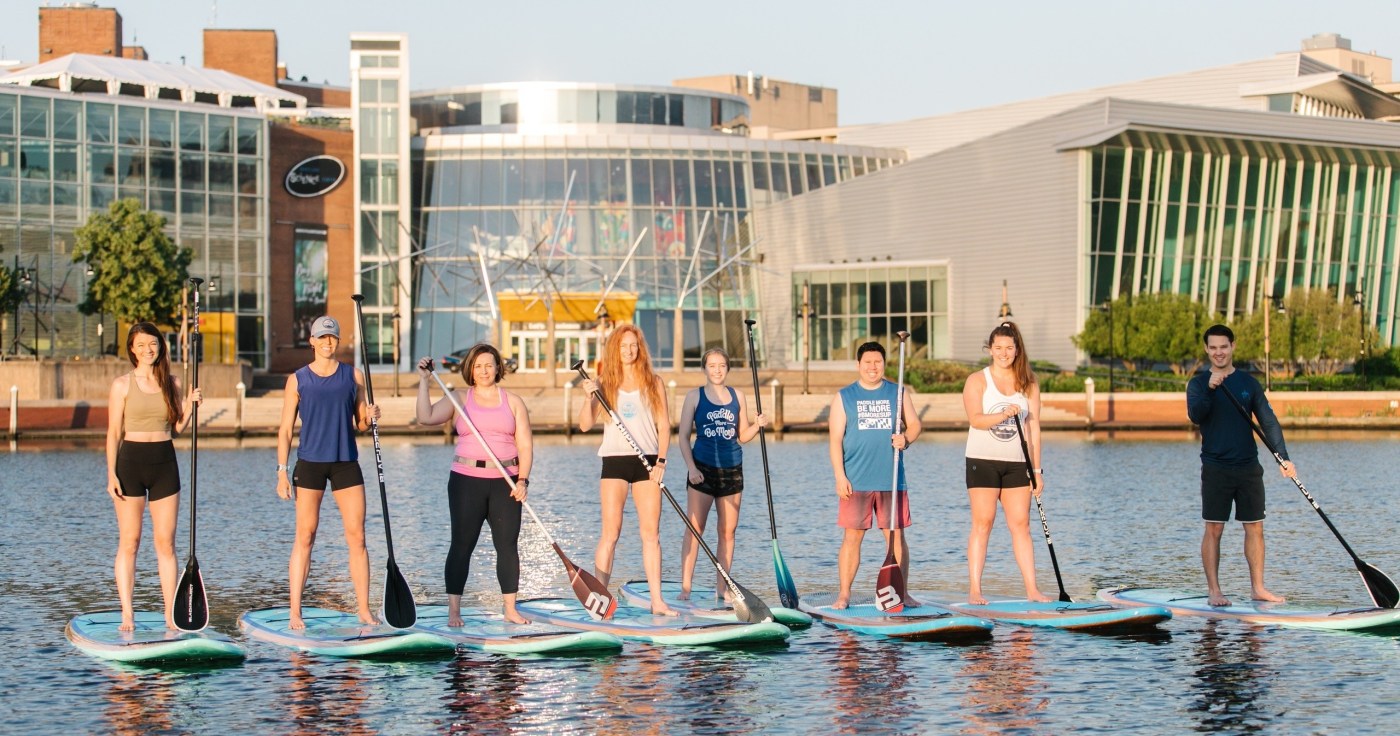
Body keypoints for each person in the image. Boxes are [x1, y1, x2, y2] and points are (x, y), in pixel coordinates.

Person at [275, 315, 380, 629]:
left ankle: (363, 609)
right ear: (312, 341)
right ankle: (295, 611)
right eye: (322, 337)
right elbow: (285, 430)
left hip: (345, 461)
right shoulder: (298, 379)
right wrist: (282, 471)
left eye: (332, 337)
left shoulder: (353, 376)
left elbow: (361, 424)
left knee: (357, 536)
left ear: (338, 340)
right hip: (310, 464)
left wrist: (370, 416)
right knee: (305, 535)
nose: (327, 342)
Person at [415, 344, 532, 626]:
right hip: (466, 482)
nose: (484, 371)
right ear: (470, 369)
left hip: (506, 482)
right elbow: (425, 417)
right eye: (478, 366)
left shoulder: (513, 401)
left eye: (489, 365)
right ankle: (454, 611)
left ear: (498, 368)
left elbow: (525, 445)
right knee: (462, 545)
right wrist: (424, 381)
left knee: (507, 546)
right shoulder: (459, 399)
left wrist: (523, 479)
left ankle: (510, 609)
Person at [1186, 323, 1296, 607]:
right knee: (1214, 529)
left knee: (1255, 527)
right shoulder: (1198, 384)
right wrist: (1210, 389)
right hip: (1216, 467)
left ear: (1233, 346)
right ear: (1206, 349)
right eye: (1213, 347)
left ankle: (1258, 588)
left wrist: (1283, 457)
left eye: (1223, 346)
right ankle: (1214, 591)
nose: (1219, 352)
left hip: (1248, 467)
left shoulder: (1248, 383)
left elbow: (1268, 421)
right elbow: (1196, 415)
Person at [105, 322, 201, 631]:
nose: (148, 349)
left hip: (164, 464)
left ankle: (170, 615)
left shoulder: (171, 382)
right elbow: (113, 433)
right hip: (130, 464)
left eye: (153, 344)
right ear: (132, 350)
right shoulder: (122, 385)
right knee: (130, 541)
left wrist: (190, 406)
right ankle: (127, 613)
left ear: (160, 346)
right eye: (141, 345)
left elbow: (178, 428)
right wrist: (111, 475)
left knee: (165, 543)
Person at [578, 324, 675, 615]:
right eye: (623, 346)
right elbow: (584, 425)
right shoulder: (604, 382)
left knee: (651, 534)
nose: (629, 351)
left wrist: (661, 461)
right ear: (614, 350)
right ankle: (600, 600)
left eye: (633, 345)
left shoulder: (653, 382)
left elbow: (664, 426)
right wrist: (589, 397)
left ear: (640, 348)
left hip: (648, 462)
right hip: (615, 460)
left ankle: (657, 601)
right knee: (611, 533)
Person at [962, 321, 1049, 605]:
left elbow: (1034, 428)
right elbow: (976, 419)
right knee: (983, 522)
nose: (1003, 353)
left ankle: (1032, 590)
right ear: (990, 349)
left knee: (1021, 524)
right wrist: (1004, 415)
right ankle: (975, 590)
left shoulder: (1029, 383)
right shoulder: (978, 380)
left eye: (1009, 348)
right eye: (998, 347)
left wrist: (1036, 470)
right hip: (982, 461)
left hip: (1017, 464)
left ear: (1017, 349)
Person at [828, 341, 921, 609]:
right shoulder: (844, 397)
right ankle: (844, 594)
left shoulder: (897, 393)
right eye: (867, 362)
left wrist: (906, 438)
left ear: (884, 364)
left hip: (891, 479)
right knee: (852, 538)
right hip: (856, 480)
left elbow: (915, 424)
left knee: (896, 538)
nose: (873, 367)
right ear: (858, 365)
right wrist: (840, 476)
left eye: (877, 362)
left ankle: (902, 593)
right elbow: (835, 441)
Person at [675, 348, 770, 602]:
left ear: (728, 368)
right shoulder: (694, 396)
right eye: (712, 365)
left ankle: (722, 587)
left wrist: (757, 426)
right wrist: (691, 468)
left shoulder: (738, 396)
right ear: (704, 369)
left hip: (732, 470)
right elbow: (682, 437)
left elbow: (742, 436)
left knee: (728, 531)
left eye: (722, 365)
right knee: (695, 529)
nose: (717, 370)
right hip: (702, 470)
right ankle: (686, 587)